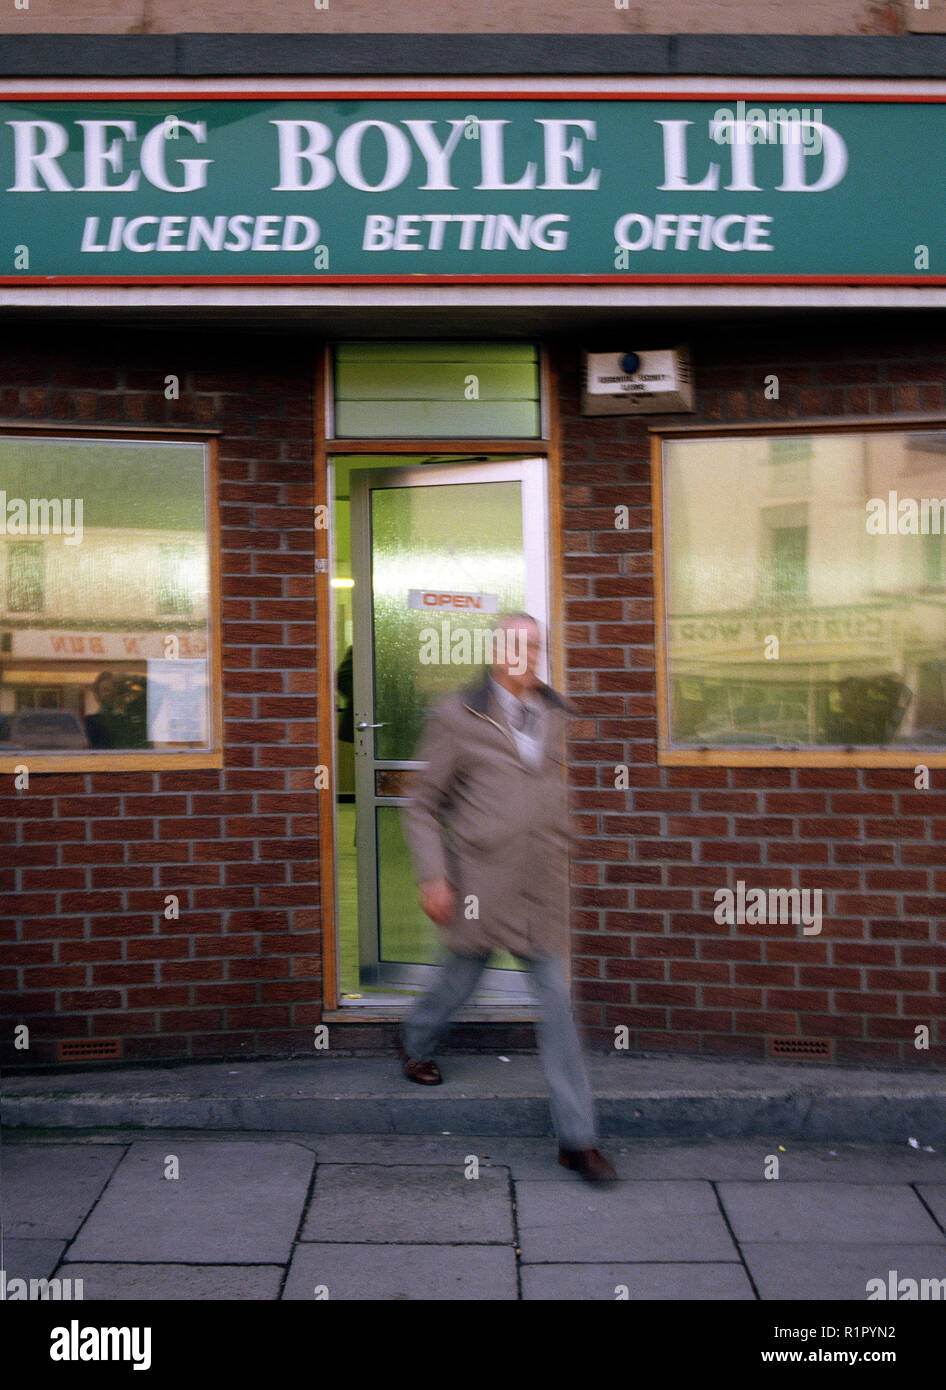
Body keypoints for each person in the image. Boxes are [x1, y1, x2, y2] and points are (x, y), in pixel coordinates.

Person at [398, 612, 617, 1184]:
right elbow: (421, 804)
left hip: (541, 888)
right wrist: (433, 876)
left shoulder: (552, 713)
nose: (533, 657)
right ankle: (415, 1041)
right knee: (460, 979)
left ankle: (577, 1139)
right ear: (498, 652)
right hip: (481, 887)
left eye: (539, 646)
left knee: (558, 1009)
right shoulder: (458, 714)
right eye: (521, 646)